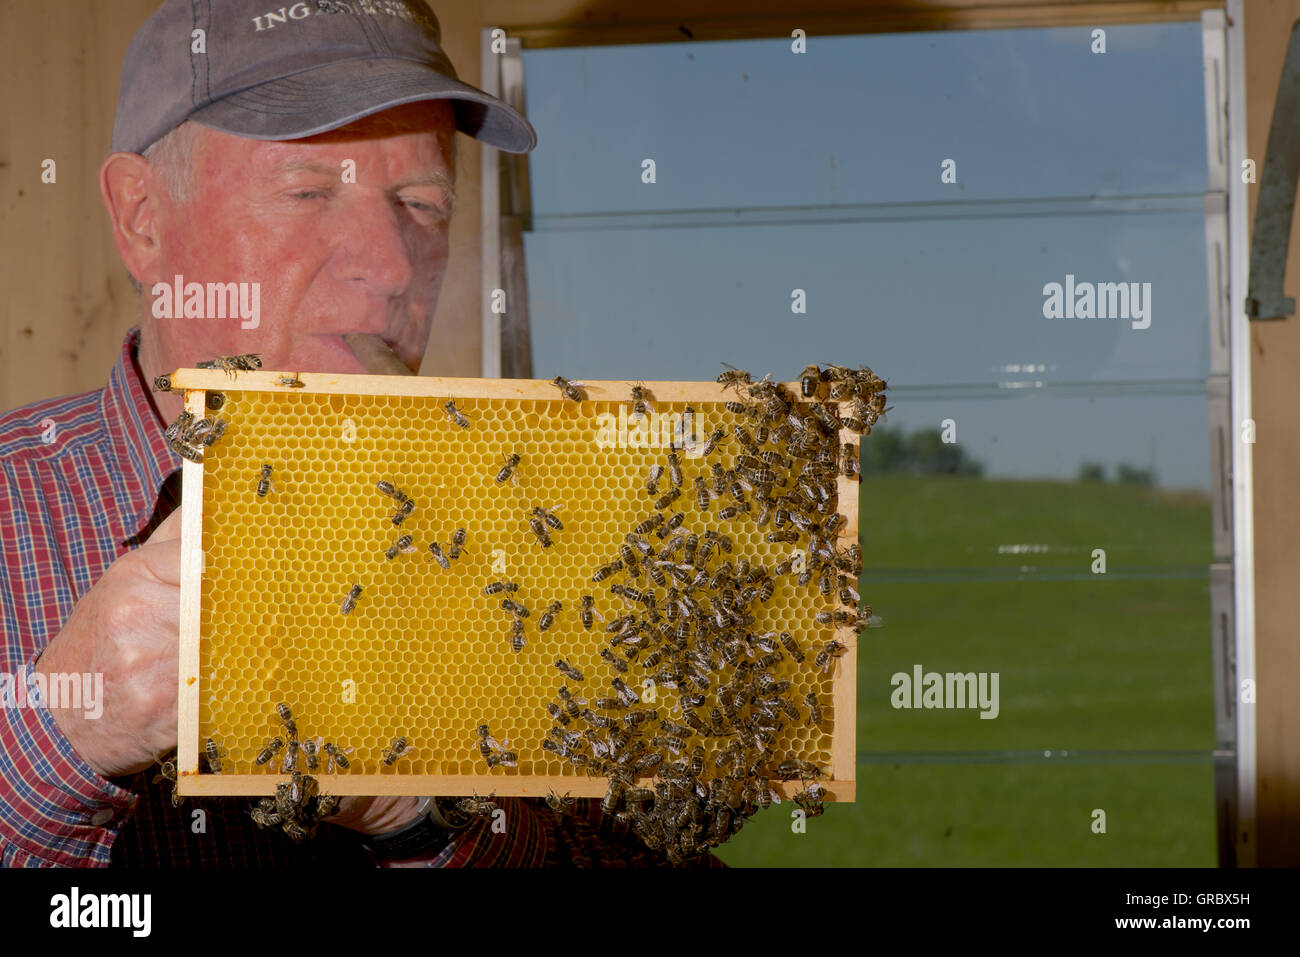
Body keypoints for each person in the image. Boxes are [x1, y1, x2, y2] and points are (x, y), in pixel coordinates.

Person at [0, 0, 718, 868]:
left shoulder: (553, 540)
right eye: (309, 192)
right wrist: (64, 734)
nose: (390, 264)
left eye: (421, 203)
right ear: (143, 217)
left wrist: (419, 817)